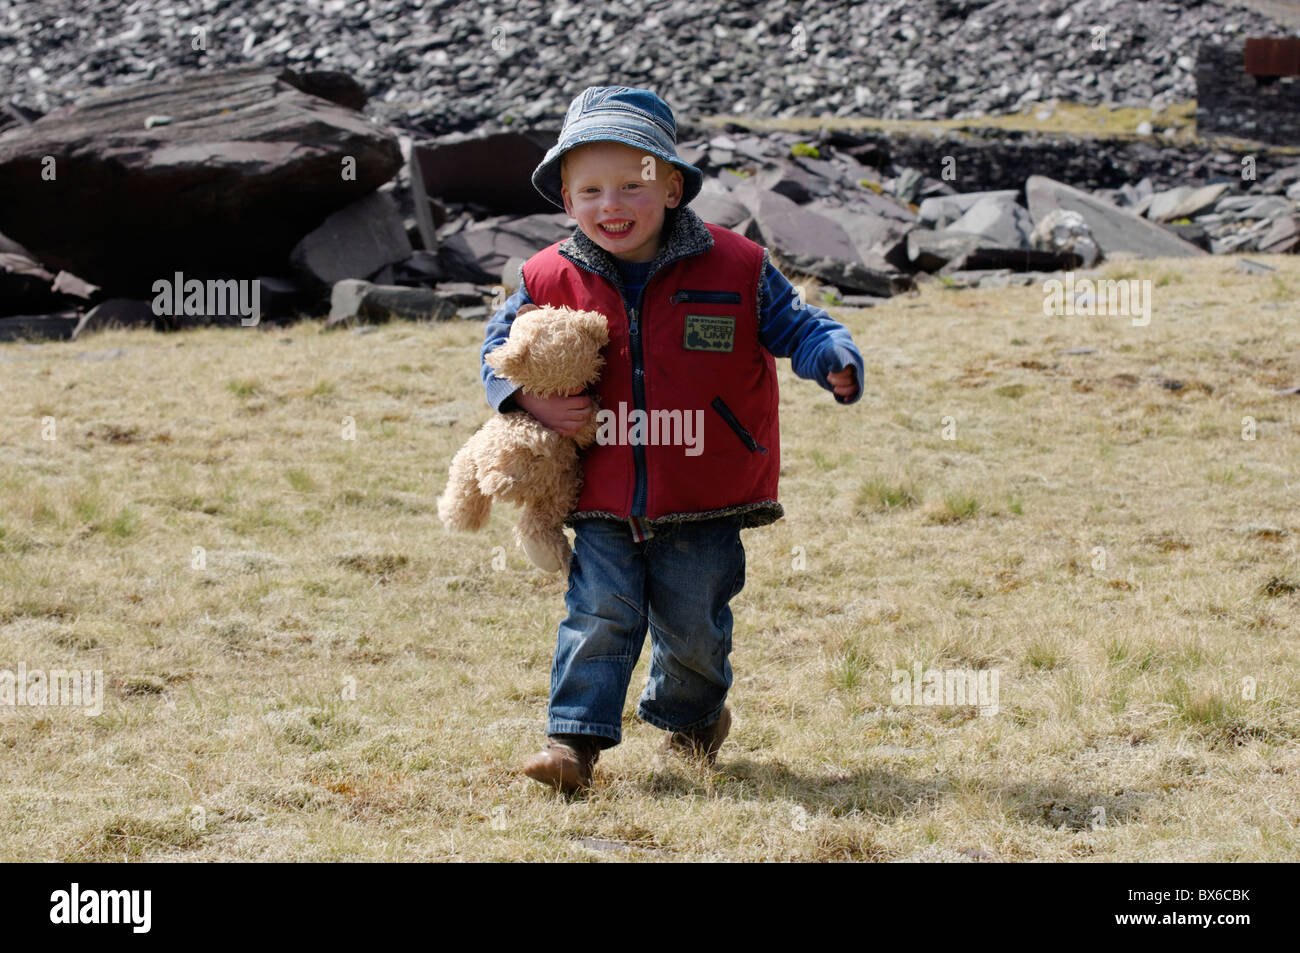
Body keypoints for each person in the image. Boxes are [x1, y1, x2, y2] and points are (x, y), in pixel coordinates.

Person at [479, 86, 864, 794]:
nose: (612, 203)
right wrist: (524, 397)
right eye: (590, 189)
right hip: (600, 489)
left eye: (634, 183)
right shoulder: (546, 276)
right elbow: (499, 350)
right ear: (566, 201)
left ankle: (694, 720)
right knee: (598, 613)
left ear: (674, 185)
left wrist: (831, 358)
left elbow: (801, 325)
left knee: (693, 629)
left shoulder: (736, 265)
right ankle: (573, 742)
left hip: (705, 491)